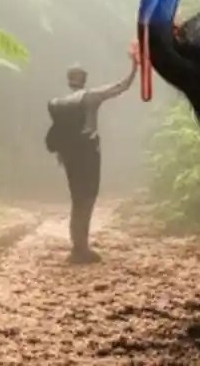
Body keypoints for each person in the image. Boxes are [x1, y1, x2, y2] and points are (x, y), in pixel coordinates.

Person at [47, 50, 137, 263]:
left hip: (69, 155)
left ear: (69, 80)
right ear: (84, 78)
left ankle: (78, 246)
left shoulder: (59, 103)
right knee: (87, 198)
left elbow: (59, 133)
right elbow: (121, 86)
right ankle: (81, 249)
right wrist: (134, 67)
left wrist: (62, 154)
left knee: (77, 199)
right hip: (88, 153)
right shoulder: (91, 96)